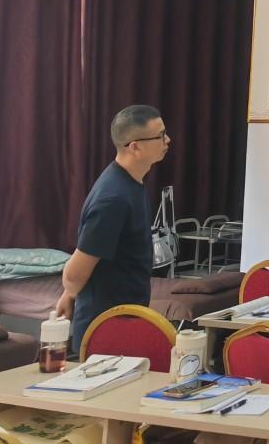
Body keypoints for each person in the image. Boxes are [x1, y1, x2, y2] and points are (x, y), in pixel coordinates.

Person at [59, 104, 169, 353]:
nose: (167, 140)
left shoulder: (131, 182)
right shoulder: (113, 198)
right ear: (135, 147)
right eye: (160, 135)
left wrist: (69, 294)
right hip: (105, 328)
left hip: (125, 318)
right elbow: (73, 275)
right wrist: (69, 292)